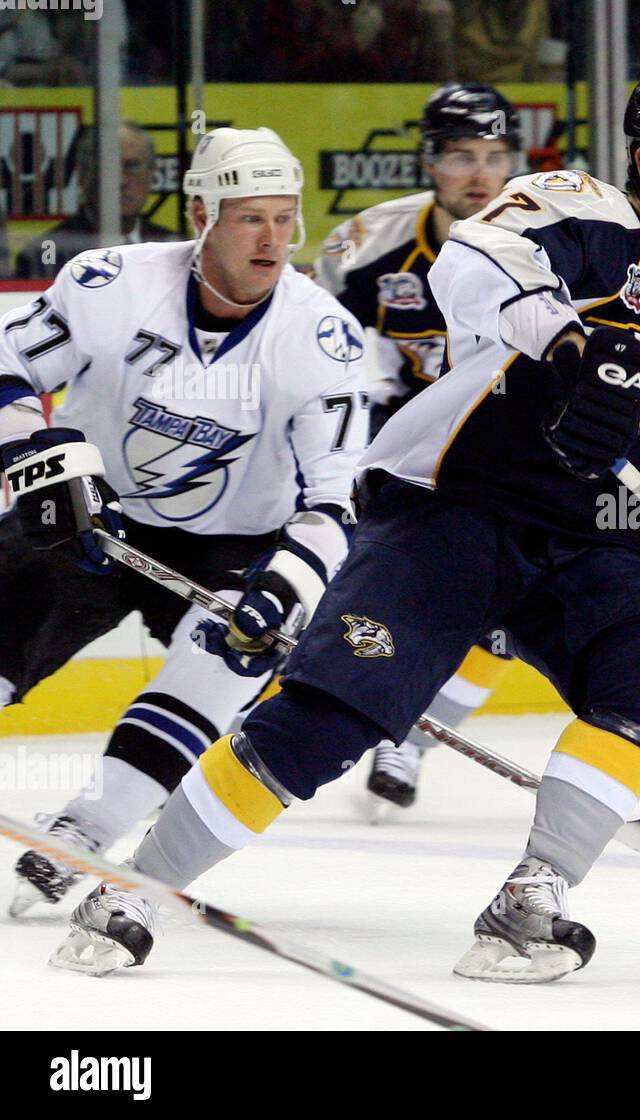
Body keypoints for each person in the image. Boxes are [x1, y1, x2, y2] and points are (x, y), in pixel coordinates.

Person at [49, 68, 640, 985]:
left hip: (587, 535)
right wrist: (569, 348)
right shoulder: (581, 211)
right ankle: (133, 888)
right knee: (328, 716)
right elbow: (471, 261)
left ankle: (534, 896)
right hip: (450, 504)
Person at [1, 128, 367, 916]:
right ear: (201, 212)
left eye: (284, 216)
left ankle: (83, 832)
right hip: (91, 517)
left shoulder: (320, 337)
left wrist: (287, 584)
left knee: (223, 663)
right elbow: (8, 369)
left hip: (238, 548)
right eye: (248, 218)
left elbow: (336, 500)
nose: (273, 238)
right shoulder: (107, 283)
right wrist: (35, 454)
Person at [315, 83, 525, 819]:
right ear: (430, 161)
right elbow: (315, 347)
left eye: (497, 157)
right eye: (463, 155)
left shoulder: (555, 241)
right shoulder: (370, 245)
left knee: (504, 620)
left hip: (509, 454)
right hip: (404, 452)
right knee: (373, 596)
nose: (481, 174)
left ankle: (402, 734)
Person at [14, 123, 182, 280]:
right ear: (83, 175)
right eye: (108, 167)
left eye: (132, 166)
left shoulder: (175, 248)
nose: (121, 180)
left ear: (152, 174)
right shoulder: (42, 257)